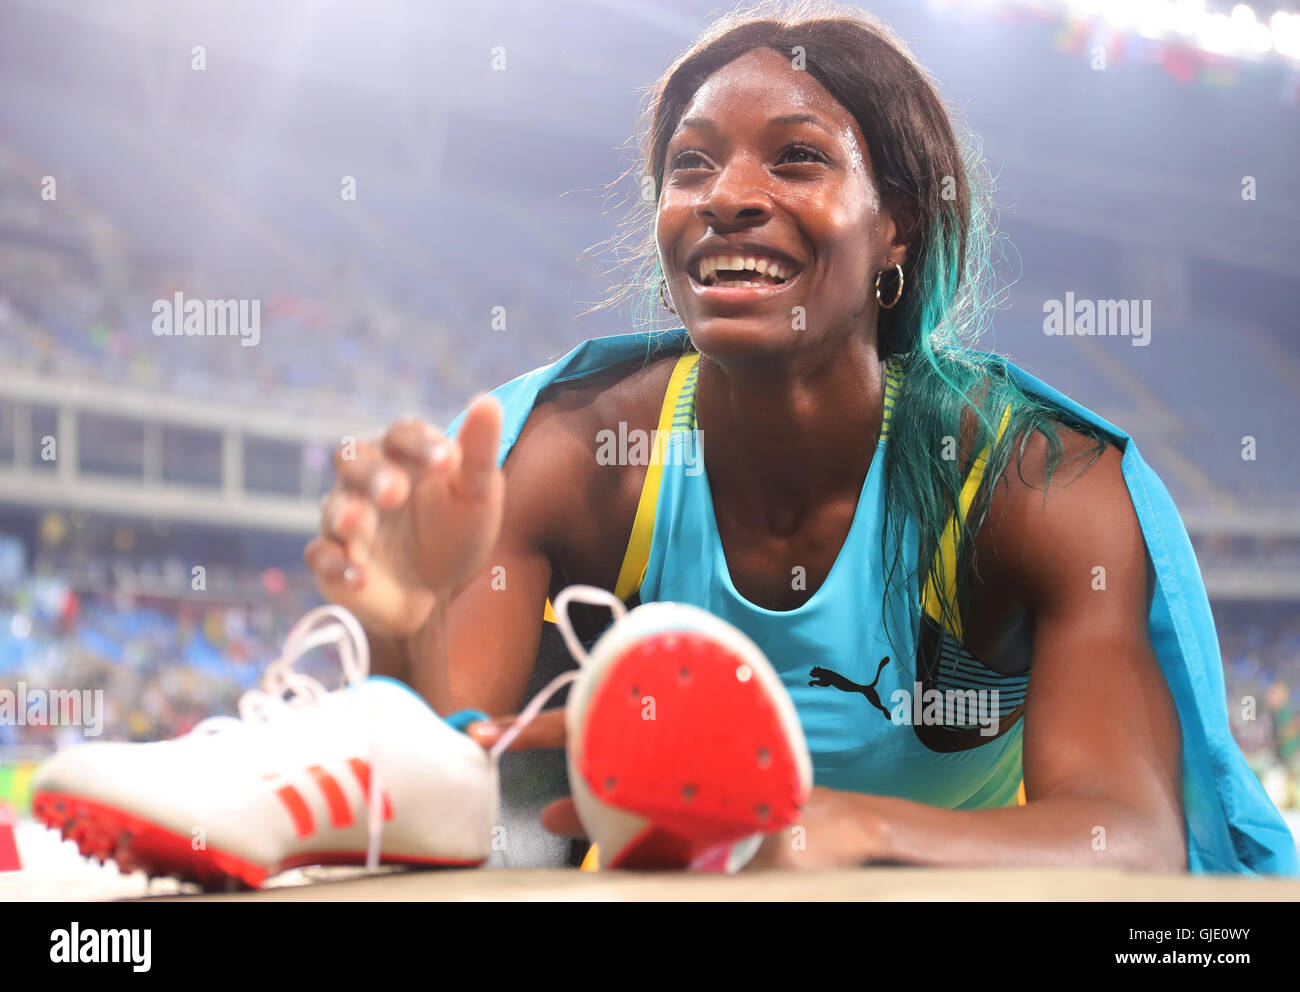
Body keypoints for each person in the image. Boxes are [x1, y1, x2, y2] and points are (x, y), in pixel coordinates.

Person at [305, 3, 1295, 874]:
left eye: (797, 157)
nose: (725, 195)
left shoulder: (1032, 482)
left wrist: (832, 829)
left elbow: (1128, 836)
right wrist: (402, 624)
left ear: (895, 227)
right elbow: (439, 787)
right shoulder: (575, 453)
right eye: (690, 163)